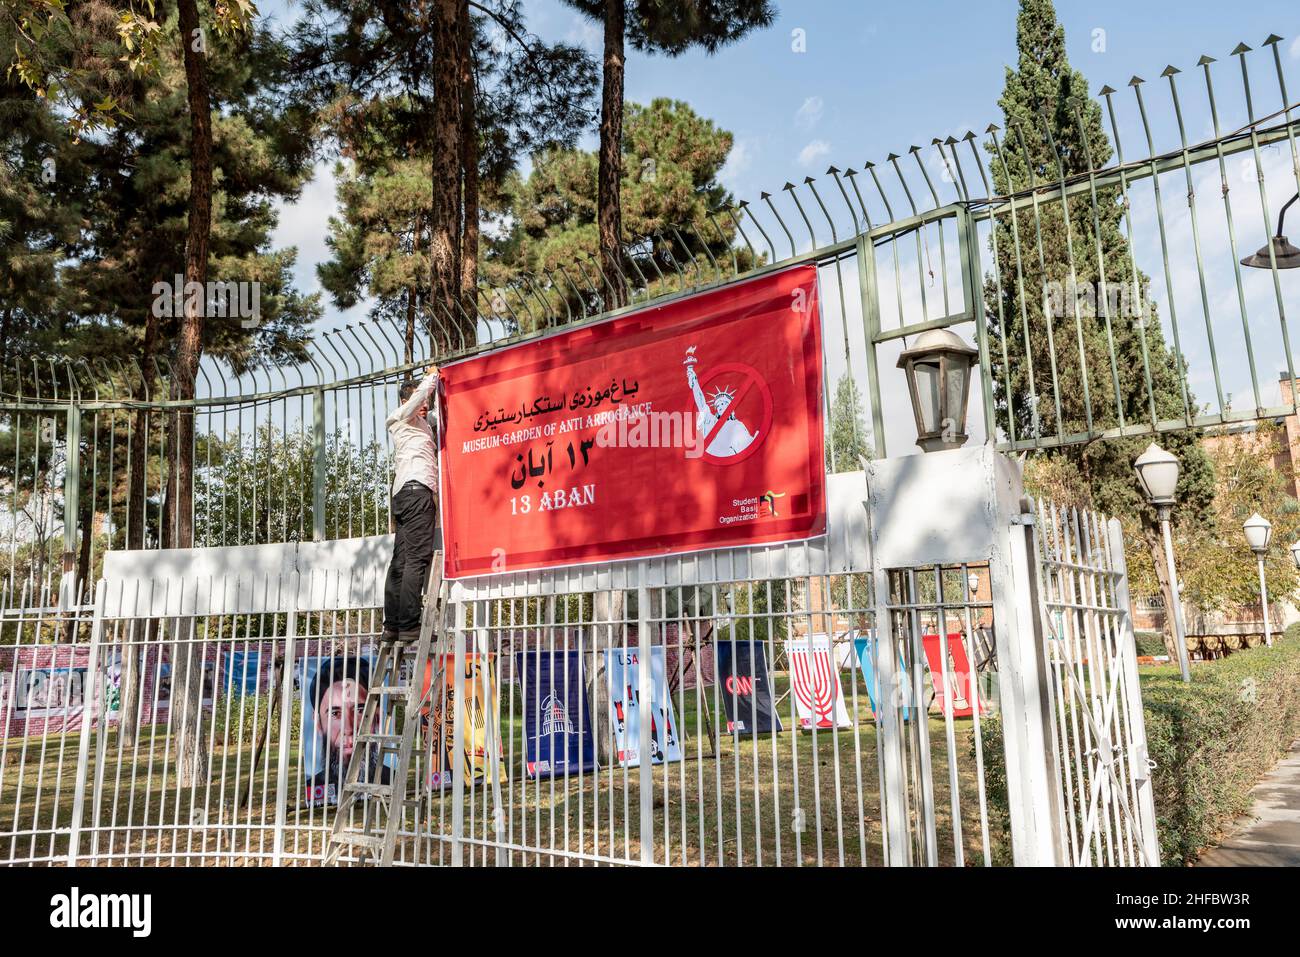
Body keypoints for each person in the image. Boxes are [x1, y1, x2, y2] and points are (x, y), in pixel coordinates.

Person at [384, 364, 440, 644]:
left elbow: (436, 415)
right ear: (406, 401)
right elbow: (416, 402)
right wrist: (432, 377)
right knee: (415, 560)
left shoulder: (422, 425)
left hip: (405, 495)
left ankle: (392, 626)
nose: (424, 404)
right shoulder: (399, 417)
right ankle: (408, 625)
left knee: (401, 561)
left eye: (427, 401)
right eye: (419, 399)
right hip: (416, 492)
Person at [304, 656, 388, 806]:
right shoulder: (315, 785)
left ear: (378, 717)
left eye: (360, 710)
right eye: (335, 714)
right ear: (318, 722)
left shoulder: (391, 781)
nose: (348, 729)